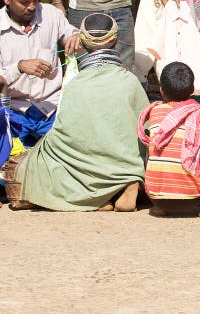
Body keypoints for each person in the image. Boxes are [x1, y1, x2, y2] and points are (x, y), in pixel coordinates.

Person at [13, 13, 149, 211]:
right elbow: (146, 127)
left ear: (83, 43)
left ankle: (95, 196)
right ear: (115, 40)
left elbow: (64, 134)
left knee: (38, 160)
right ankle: (129, 182)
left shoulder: (76, 85)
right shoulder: (130, 82)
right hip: (126, 164)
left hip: (85, 168)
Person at [0, 0, 81, 162]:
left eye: (35, 0)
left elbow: (73, 35)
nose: (32, 6)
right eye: (24, 2)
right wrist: (19, 67)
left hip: (52, 107)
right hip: (15, 111)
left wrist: (77, 37)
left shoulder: (51, 14)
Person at [138, 62, 200, 218]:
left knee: (153, 141)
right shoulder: (198, 114)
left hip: (156, 198)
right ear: (192, 90)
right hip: (192, 198)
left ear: (161, 91)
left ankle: (159, 204)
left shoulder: (154, 111)